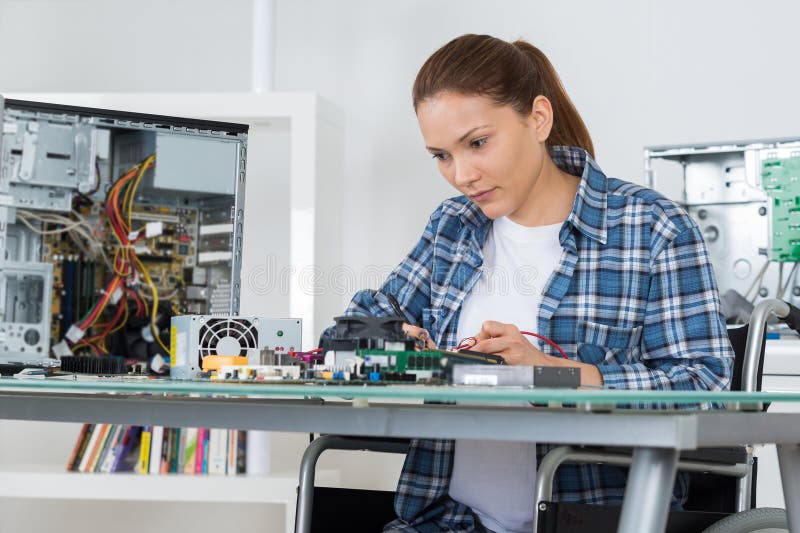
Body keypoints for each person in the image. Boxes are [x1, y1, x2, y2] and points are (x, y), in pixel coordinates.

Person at [327, 34, 734, 533]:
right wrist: (392, 341)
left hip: (590, 522)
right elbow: (355, 330)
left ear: (538, 119)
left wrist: (555, 375)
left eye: (478, 143)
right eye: (441, 155)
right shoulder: (453, 226)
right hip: (444, 522)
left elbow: (706, 390)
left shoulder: (653, 229)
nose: (462, 175)